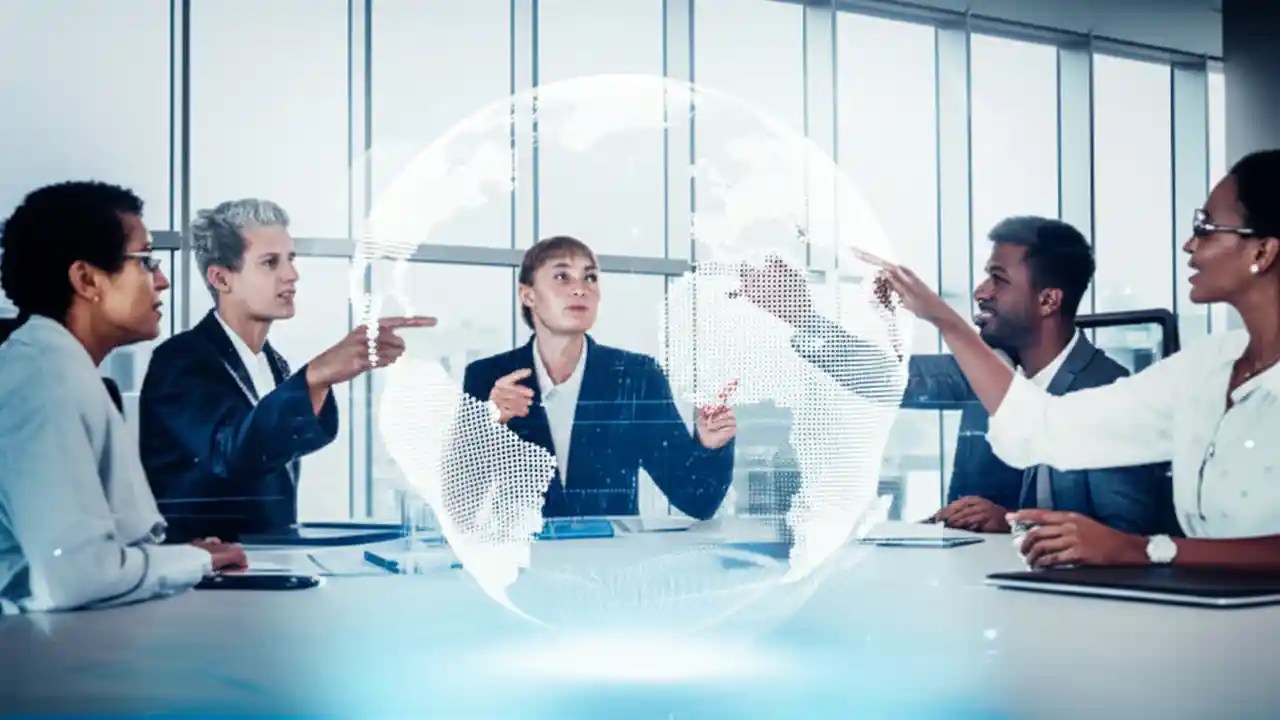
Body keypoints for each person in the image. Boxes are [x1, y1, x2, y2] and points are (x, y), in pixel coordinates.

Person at [881, 149, 1280, 569]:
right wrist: (941, 321)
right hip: (1210, 617)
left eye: (1206, 227)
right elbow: (1040, 427)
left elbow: (1128, 530)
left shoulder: (1105, 378)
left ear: (1262, 252)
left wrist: (1148, 551)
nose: (1188, 243)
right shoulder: (1207, 368)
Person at [738, 218, 1169, 534]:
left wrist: (1011, 523)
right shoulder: (989, 372)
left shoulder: (1110, 393)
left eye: (998, 279)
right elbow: (884, 379)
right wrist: (801, 316)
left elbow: (1130, 535)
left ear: (1048, 300)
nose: (981, 291)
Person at [0, 181, 246, 613]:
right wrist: (195, 560)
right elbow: (76, 576)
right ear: (87, 279)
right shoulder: (43, 382)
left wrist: (176, 556)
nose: (163, 280)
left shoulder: (57, 367)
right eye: (147, 261)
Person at [139, 199, 434, 541]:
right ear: (220, 278)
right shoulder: (180, 360)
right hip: (207, 571)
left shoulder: (273, 361)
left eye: (290, 259)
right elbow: (230, 454)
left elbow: (283, 444)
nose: (292, 275)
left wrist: (318, 382)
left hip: (268, 558)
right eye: (270, 263)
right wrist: (316, 375)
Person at [462, 236, 737, 520]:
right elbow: (460, 503)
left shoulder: (636, 377)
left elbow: (697, 500)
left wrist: (711, 446)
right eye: (562, 276)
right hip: (522, 559)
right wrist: (486, 422)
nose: (580, 289)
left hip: (612, 560)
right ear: (528, 295)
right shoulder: (488, 378)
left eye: (590, 278)